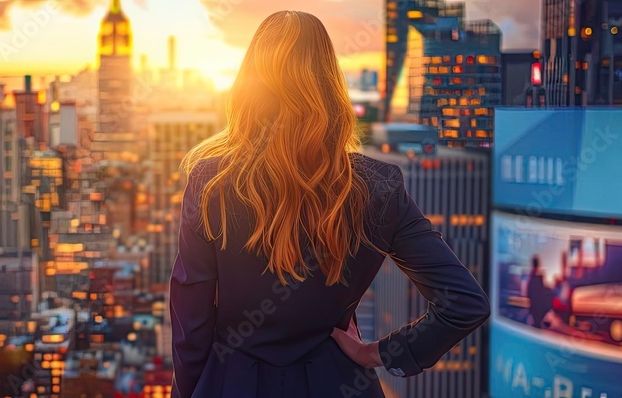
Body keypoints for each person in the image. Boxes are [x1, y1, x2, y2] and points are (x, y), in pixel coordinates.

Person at [168, 11, 490, 398]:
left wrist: (188, 392)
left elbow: (192, 324)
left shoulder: (211, 182)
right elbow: (464, 304)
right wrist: (379, 353)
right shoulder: (378, 187)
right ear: (330, 84)